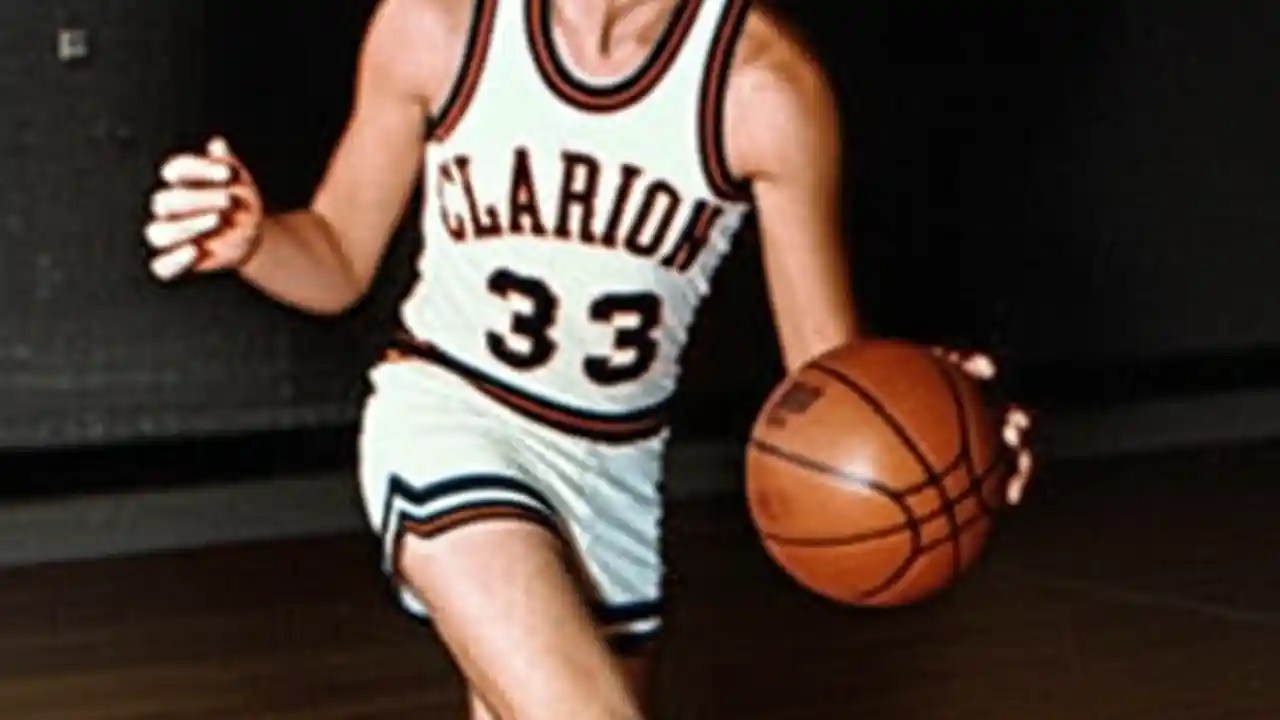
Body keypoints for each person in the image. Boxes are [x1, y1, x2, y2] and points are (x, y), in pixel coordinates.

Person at [143, 0, 1035, 717]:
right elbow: (338, 257)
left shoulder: (762, 86)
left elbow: (826, 382)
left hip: (612, 478)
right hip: (449, 419)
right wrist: (255, 240)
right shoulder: (438, 25)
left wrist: (944, 417)